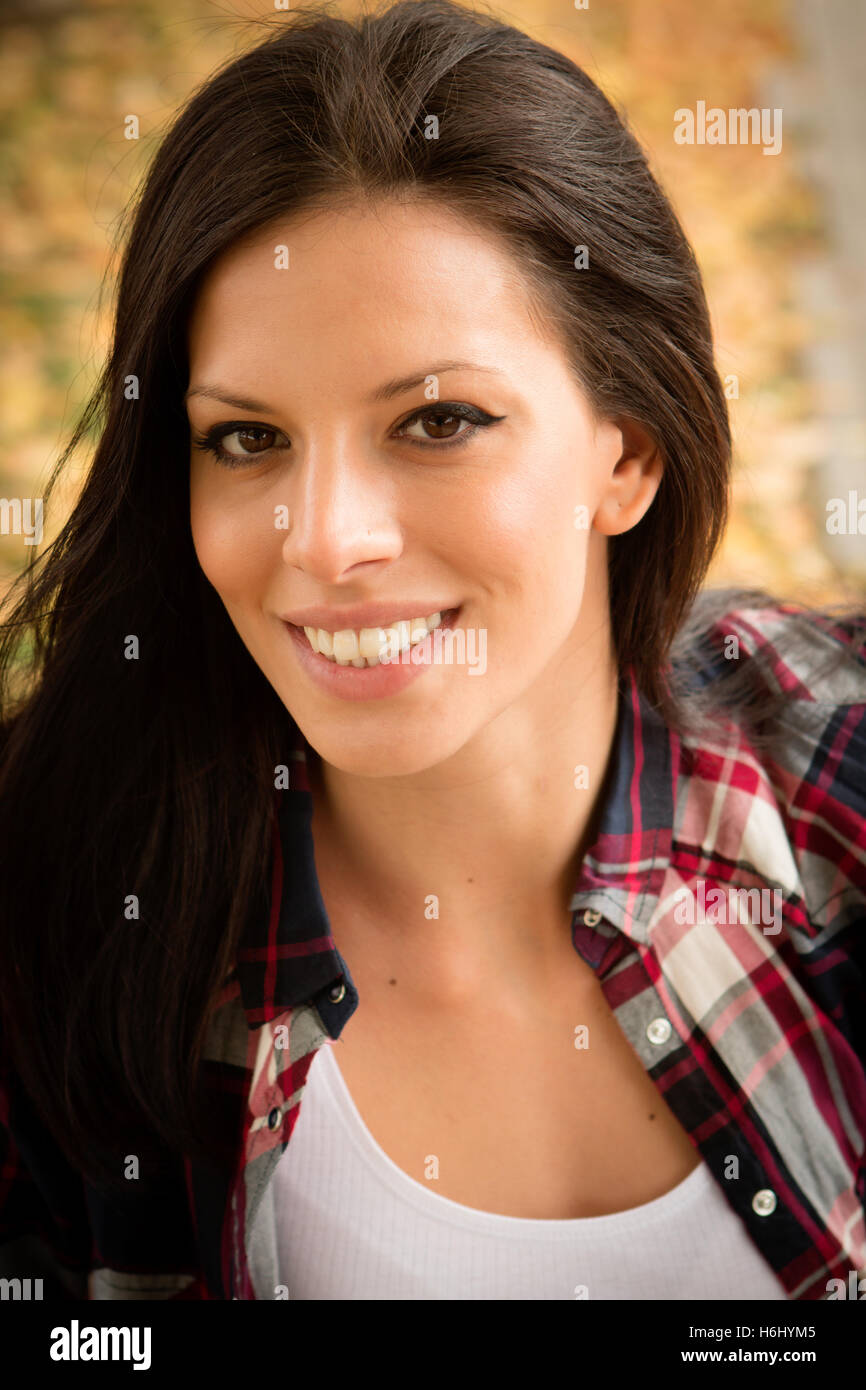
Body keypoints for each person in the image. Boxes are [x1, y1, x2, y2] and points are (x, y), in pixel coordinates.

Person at [0, 0, 863, 1302]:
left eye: (438, 419)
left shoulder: (836, 776)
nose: (327, 539)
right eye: (246, 438)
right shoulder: (55, 916)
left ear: (623, 451)